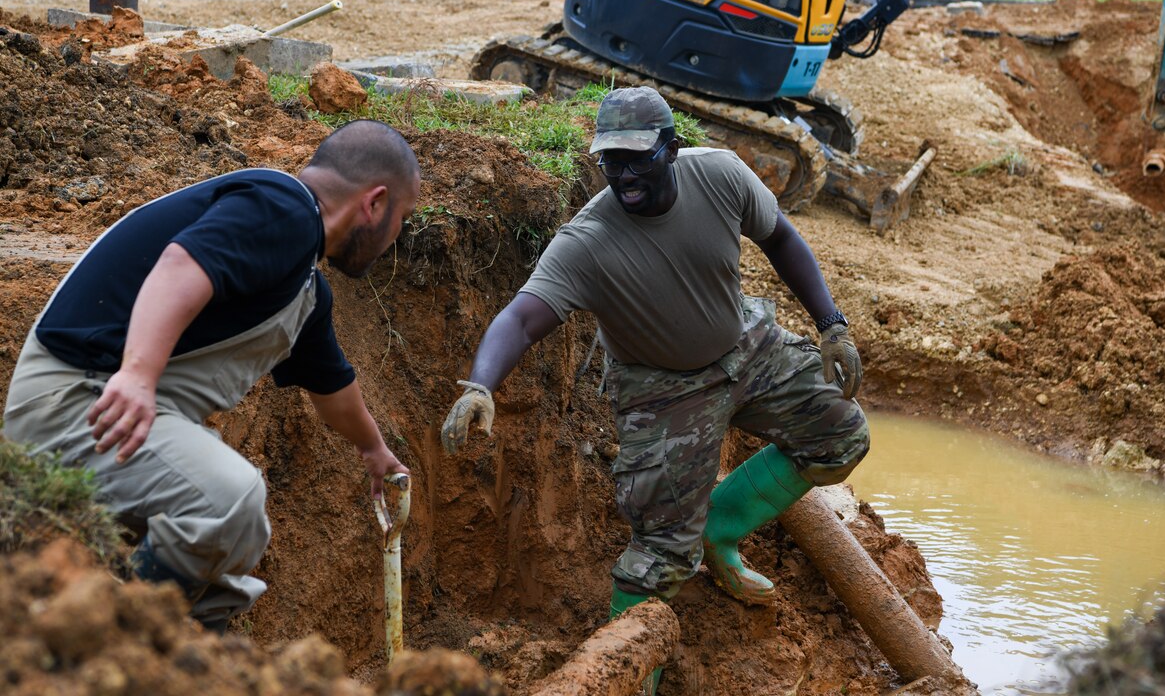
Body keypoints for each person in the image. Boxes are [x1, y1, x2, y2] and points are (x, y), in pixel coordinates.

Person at [440, 86, 869, 637]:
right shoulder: (588, 242)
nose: (623, 176)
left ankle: (719, 528)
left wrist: (831, 325)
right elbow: (522, 317)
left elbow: (781, 237)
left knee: (841, 437)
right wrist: (481, 386)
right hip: (663, 390)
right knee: (662, 557)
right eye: (610, 161)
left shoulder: (720, 175)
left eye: (637, 159)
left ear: (670, 147)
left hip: (746, 346)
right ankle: (627, 669)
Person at [3, 119, 420, 633]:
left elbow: (332, 387)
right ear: (374, 204)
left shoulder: (305, 286)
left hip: (109, 411)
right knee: (228, 500)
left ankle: (191, 661)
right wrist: (136, 374)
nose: (396, 236)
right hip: (75, 400)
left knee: (228, 546)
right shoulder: (283, 207)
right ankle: (114, 646)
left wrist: (374, 451)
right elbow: (180, 267)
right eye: (403, 217)